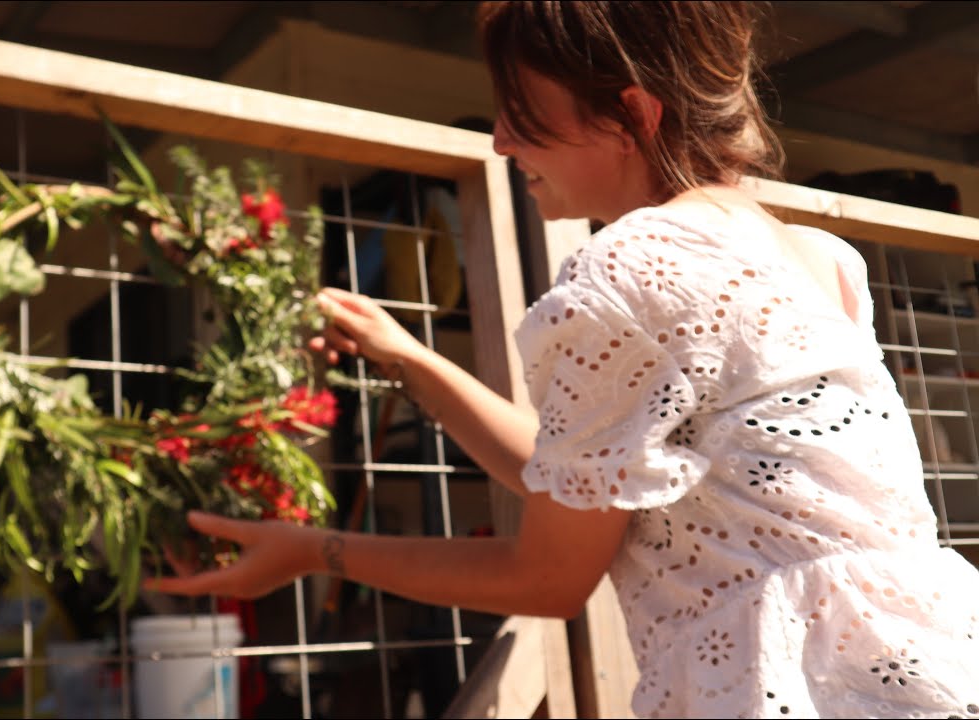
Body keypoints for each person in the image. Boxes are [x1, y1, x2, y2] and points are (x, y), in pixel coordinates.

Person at [145, 2, 979, 716]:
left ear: (633, 115)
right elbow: (588, 483)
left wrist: (312, 551)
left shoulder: (636, 263)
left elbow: (545, 576)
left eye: (521, 110)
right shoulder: (815, 256)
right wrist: (409, 359)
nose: (503, 140)